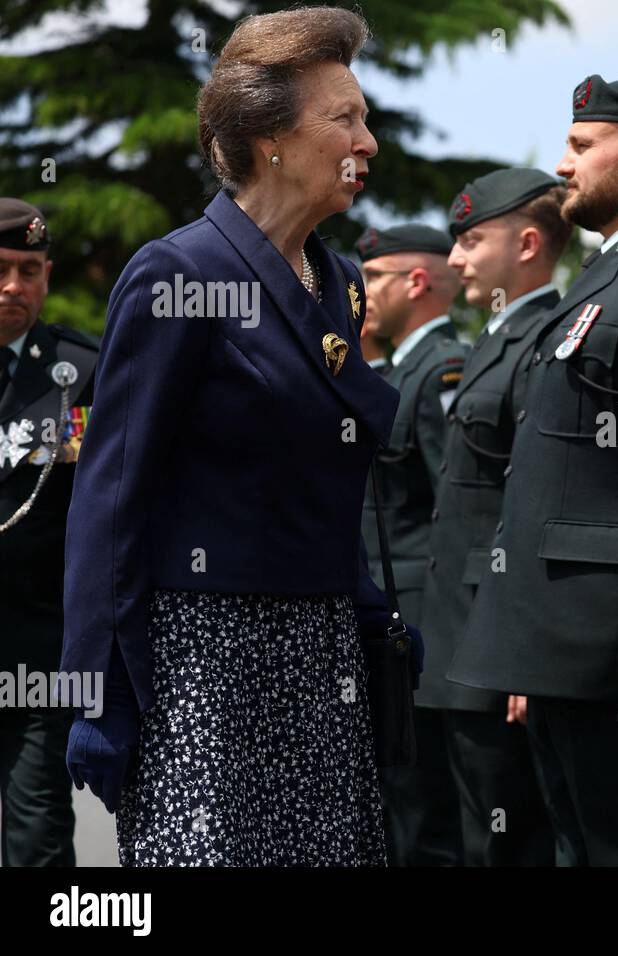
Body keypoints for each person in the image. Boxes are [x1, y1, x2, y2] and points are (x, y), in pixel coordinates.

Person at [60, 7, 421, 866]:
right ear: (271, 140)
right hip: (207, 667)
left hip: (322, 656)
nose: (367, 142)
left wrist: (372, 615)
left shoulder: (336, 280)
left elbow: (329, 477)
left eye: (365, 117)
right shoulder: (178, 275)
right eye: (346, 119)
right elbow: (111, 499)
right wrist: (96, 689)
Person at [448, 75, 618, 866]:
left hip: (608, 641)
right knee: (577, 846)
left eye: (584, 147)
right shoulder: (603, 275)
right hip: (560, 632)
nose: (564, 165)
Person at [429, 168, 568, 866]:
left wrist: (525, 649)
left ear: (529, 244)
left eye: (472, 241)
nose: (455, 259)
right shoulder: (495, 340)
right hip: (464, 640)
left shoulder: (546, 340)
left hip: (497, 644)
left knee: (511, 843)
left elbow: (538, 501)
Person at [355, 224, 468, 866]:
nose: (362, 291)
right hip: (389, 623)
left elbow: (454, 508)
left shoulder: (441, 368)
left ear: (416, 282)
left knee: (425, 818)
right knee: (393, 810)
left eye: (374, 278)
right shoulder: (397, 369)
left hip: (422, 627)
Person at [0, 199, 97, 866]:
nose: (14, 286)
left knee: (37, 827)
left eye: (29, 270)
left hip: (38, 646)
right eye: (1, 269)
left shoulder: (80, 372)